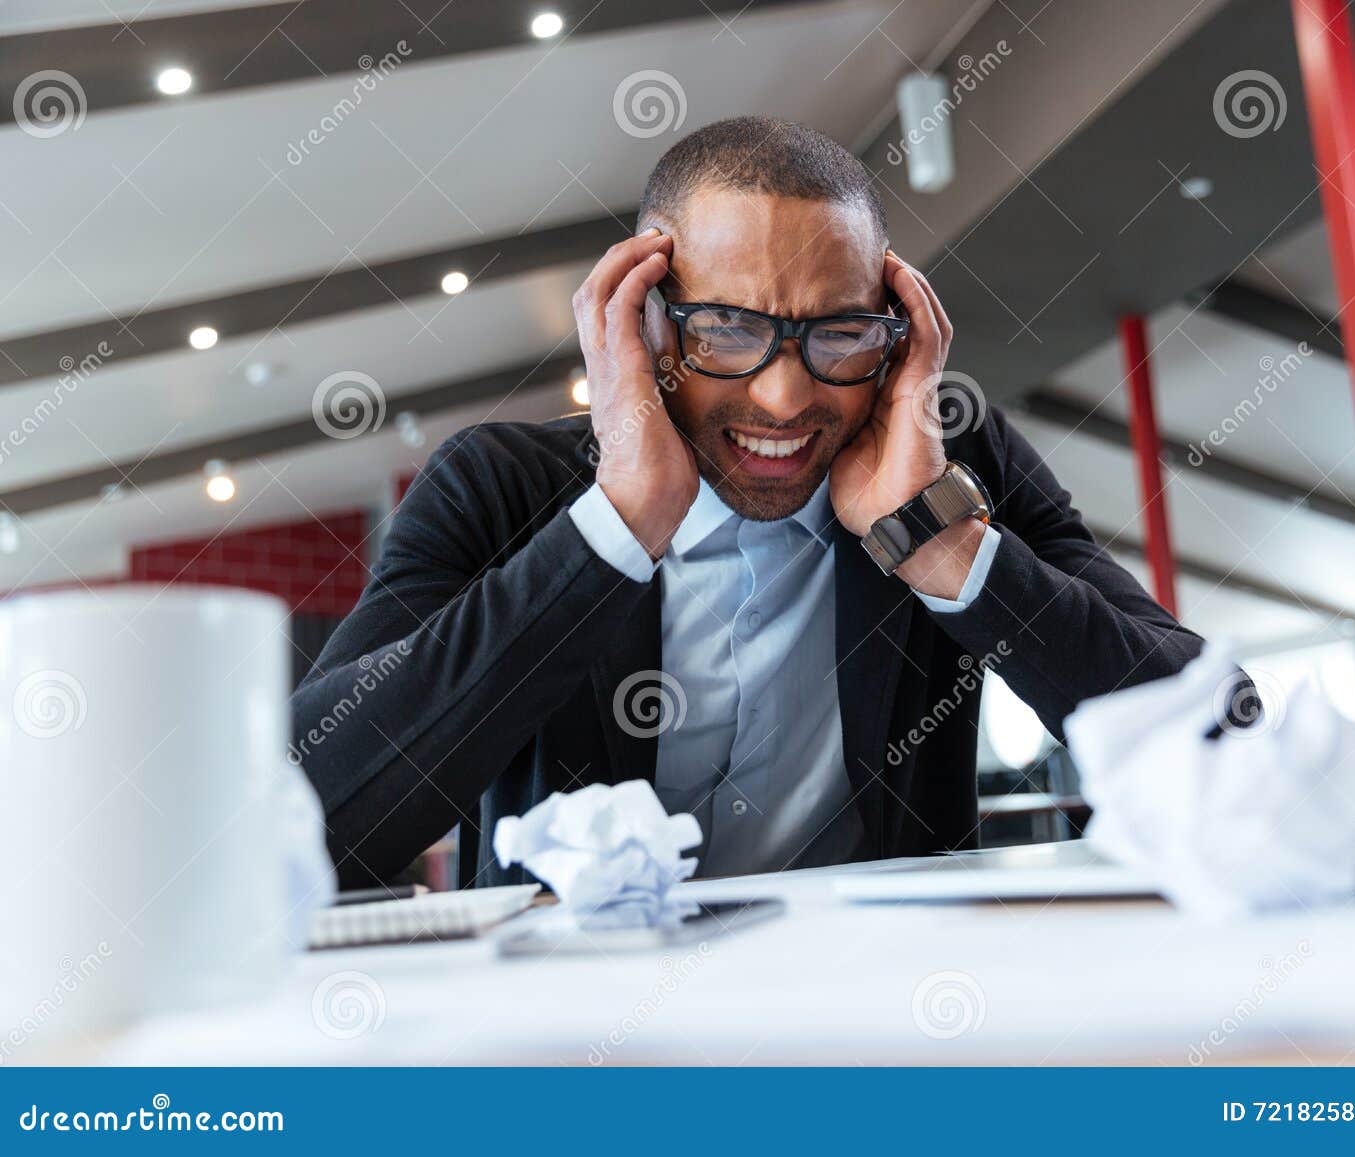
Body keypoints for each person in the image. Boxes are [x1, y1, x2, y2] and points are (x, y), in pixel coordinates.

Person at [293, 116, 1206, 889]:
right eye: (727, 328)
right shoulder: (499, 487)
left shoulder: (955, 470)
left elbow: (1221, 740)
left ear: (894, 337)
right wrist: (614, 530)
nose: (783, 398)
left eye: (841, 333)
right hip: (584, 1047)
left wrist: (938, 547)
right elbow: (304, 824)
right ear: (644, 320)